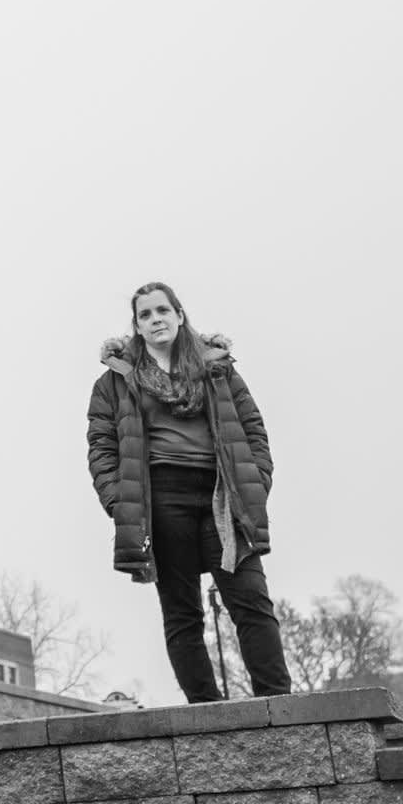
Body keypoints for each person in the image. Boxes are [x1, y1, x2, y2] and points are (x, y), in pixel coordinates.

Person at [85, 281, 291, 703]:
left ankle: (279, 704)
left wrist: (256, 487)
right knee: (182, 612)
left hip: (222, 498)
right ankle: (207, 712)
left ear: (180, 315)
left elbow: (253, 433)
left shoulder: (218, 369)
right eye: (145, 315)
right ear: (137, 327)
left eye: (162, 310)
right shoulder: (115, 381)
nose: (155, 319)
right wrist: (119, 502)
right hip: (161, 500)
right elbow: (102, 448)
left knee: (250, 599)